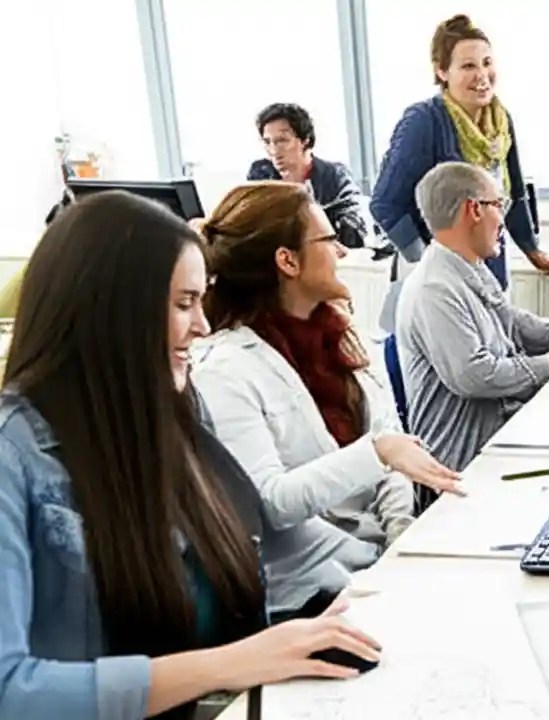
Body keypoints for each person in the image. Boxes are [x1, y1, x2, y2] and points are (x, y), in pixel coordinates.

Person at [0, 191, 381, 719]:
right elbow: (10, 692)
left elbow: (242, 567)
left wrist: (305, 632)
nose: (202, 325)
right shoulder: (13, 458)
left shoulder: (173, 417)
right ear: (113, 313)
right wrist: (232, 664)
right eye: (184, 304)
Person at [192, 181, 463, 612]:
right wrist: (376, 453)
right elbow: (271, 502)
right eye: (329, 239)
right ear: (287, 261)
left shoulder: (341, 337)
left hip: (376, 567)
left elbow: (391, 444)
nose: (340, 252)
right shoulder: (226, 372)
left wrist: (400, 534)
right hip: (311, 597)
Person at [396, 162, 549, 471]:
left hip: (503, 428)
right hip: (468, 462)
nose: (502, 220)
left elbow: (511, 322)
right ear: (474, 210)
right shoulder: (435, 288)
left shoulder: (468, 265)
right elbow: (474, 376)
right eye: (498, 205)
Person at [371, 13, 549, 297]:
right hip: (434, 276)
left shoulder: (499, 121)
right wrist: (428, 264)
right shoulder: (424, 121)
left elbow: (515, 195)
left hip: (488, 271)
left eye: (487, 63)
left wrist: (532, 251)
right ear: (442, 71)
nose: (482, 75)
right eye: (468, 66)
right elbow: (384, 204)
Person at [247, 103, 375, 250]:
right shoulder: (261, 174)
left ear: (305, 140)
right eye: (267, 142)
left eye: (282, 141)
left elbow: (356, 223)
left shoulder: (334, 175)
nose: (274, 151)